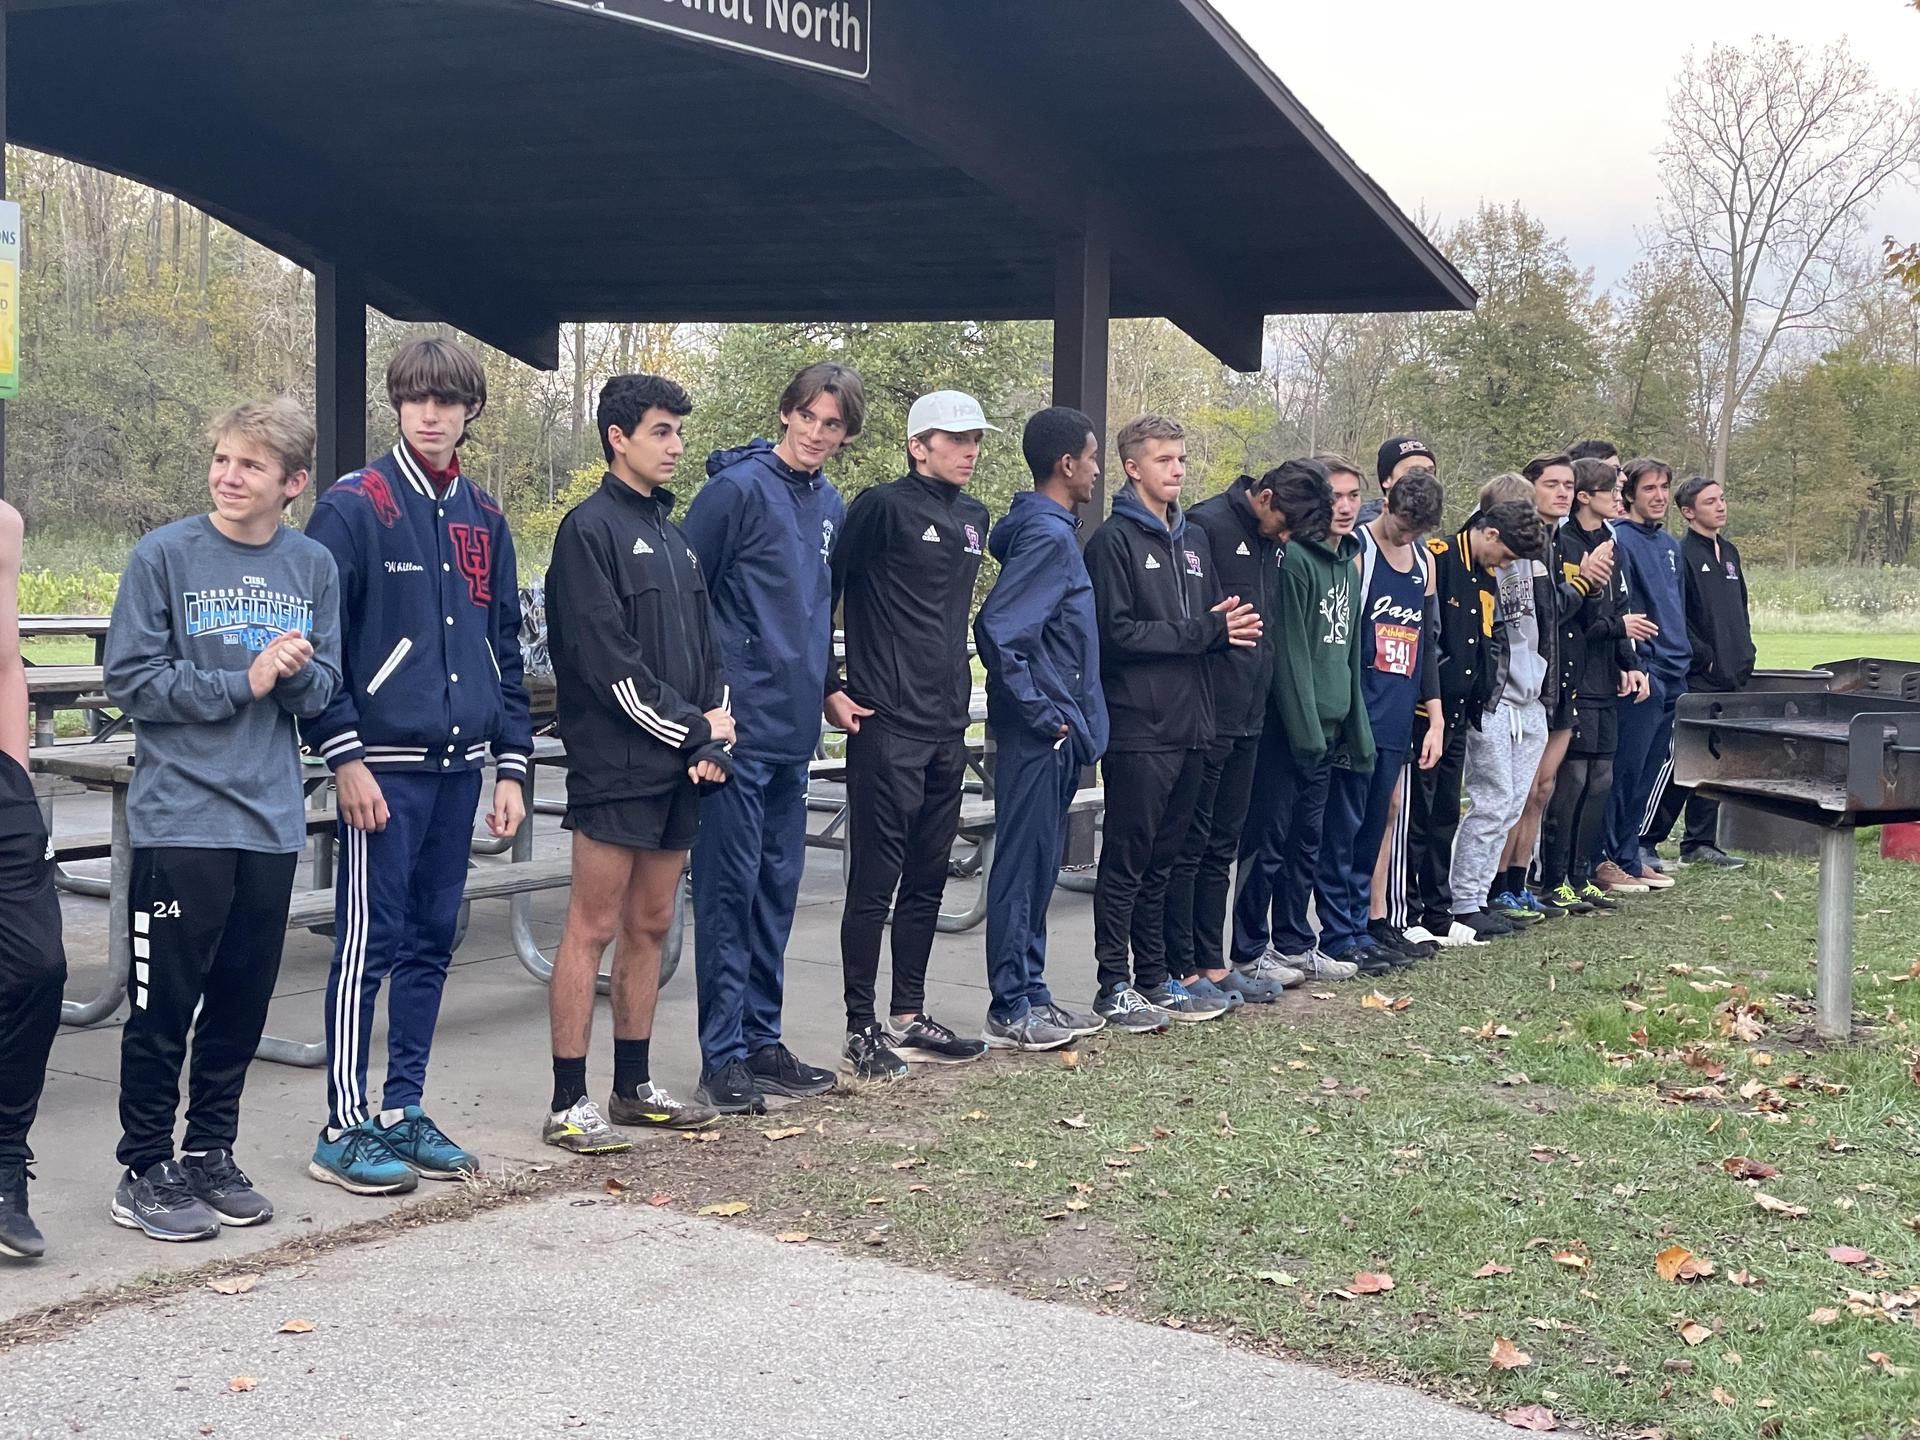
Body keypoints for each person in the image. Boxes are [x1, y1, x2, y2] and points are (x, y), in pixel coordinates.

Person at [102, 399, 342, 1240]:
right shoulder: (164, 554)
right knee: (164, 1002)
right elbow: (131, 683)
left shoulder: (312, 565)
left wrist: (299, 670)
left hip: (270, 818)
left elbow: (325, 691)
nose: (229, 477)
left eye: (249, 466)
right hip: (181, 817)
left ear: (293, 484)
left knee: (241, 1000)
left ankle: (209, 1150)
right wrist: (245, 679)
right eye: (222, 460)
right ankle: (143, 1166)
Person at [304, 337, 533, 1195]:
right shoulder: (353, 505)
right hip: (381, 773)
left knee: (434, 941)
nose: (431, 414)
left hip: (460, 768)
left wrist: (510, 768)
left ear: (470, 409)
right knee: (369, 943)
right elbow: (320, 646)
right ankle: (341, 1123)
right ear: (397, 405)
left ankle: (403, 1109)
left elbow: (504, 646)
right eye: (415, 400)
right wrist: (344, 757)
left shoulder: (484, 514)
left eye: (446, 401)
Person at [541, 375, 731, 1154]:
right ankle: (566, 1102)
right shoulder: (586, 532)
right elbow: (608, 667)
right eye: (661, 431)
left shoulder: (677, 535)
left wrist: (715, 735)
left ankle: (632, 1088)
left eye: (678, 432)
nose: (677, 446)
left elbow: (711, 653)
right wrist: (695, 733)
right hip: (617, 766)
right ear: (618, 437)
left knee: (651, 925)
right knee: (591, 928)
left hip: (681, 767)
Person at [683, 362, 861, 1113]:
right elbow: (687, 603)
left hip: (794, 735)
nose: (818, 434)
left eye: (834, 426)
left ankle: (763, 1040)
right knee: (727, 895)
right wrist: (702, 721)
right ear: (786, 413)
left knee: (775, 895)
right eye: (809, 418)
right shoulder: (734, 491)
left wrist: (827, 689)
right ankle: (720, 1055)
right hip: (736, 730)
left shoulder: (831, 504)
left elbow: (819, 607)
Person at [830, 390, 995, 1077]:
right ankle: (859, 1024)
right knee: (876, 879)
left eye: (975, 439)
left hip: (946, 721)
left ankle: (908, 1012)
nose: (968, 451)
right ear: (916, 445)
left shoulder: (975, 517)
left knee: (930, 873)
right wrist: (830, 685)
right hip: (884, 720)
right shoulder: (881, 506)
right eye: (953, 439)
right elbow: (826, 591)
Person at [1086, 414, 1260, 1030]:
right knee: (1128, 860)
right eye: (1164, 460)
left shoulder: (1192, 542)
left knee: (1168, 859)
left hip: (1193, 724)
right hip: (1139, 726)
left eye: (1182, 459)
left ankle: (1155, 977)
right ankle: (1113, 983)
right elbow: (1117, 634)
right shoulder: (1113, 541)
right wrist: (1207, 631)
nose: (1178, 470)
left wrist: (1225, 632)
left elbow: (1213, 622)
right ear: (1133, 468)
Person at [973, 407, 1110, 1050]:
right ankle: (1011, 1004)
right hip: (1040, 734)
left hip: (1054, 730)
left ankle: (1034, 993)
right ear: (1066, 464)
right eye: (1091, 456)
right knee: (1023, 867)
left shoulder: (1052, 530)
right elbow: (1000, 631)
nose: (1096, 468)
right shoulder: (1049, 537)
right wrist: (1046, 715)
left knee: (1038, 867)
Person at [1231, 456, 1372, 979]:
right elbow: (1288, 653)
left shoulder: (1351, 563)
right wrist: (1306, 730)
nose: (1344, 507)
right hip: (1288, 731)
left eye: (1354, 495)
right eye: (1335, 496)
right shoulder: (1293, 560)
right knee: (1266, 842)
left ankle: (1294, 941)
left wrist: (1355, 729)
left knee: (1305, 845)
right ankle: (1250, 948)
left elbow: (1351, 652)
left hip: (1329, 733)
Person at [1166, 465, 1298, 1007]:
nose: (1286, 537)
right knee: (1189, 848)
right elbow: (1196, 621)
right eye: (1285, 525)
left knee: (1223, 845)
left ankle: (1213, 964)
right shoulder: (1207, 527)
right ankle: (1181, 967)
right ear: (1263, 498)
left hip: (1251, 713)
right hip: (1207, 714)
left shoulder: (1273, 540)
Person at [1314, 467, 1445, 972]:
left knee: (1374, 825)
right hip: (1358, 713)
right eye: (1402, 525)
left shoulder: (1422, 562)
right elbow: (1344, 636)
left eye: (1418, 531)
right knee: (1343, 826)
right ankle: (1338, 931)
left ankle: (1358, 928)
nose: (1407, 536)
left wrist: (1433, 718)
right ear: (1386, 503)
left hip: (1398, 713)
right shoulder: (1360, 550)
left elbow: (1427, 644)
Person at [1489, 454, 1614, 923]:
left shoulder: (1560, 541)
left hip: (1563, 678)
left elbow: (1579, 612)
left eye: (1568, 484)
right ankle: (1497, 884)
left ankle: (1521, 881)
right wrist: (1584, 582)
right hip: (1526, 685)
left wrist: (1592, 585)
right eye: (1552, 484)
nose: (1562, 492)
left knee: (1541, 789)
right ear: (1529, 489)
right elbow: (1547, 610)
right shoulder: (1526, 547)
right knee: (1519, 790)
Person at [1406, 500, 1533, 946]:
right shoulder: (1439, 557)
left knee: (1445, 814)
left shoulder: (1486, 573)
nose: (1507, 565)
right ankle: (1410, 909)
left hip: (1461, 711)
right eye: (1508, 555)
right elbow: (1429, 636)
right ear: (1491, 534)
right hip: (1427, 711)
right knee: (1417, 818)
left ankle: (1439, 911)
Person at [0, 501, 69, 1258]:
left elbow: (7, 660)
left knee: (37, 967)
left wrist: (14, 778)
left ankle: (4, 1163)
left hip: (1, 785)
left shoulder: (5, 525)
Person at [1446, 477, 1559, 941]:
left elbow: (1543, 627)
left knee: (1513, 802)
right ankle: (1464, 899)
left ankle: (1483, 894)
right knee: (1490, 802)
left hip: (1530, 699)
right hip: (1493, 700)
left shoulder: (1533, 561)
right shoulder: (1465, 562)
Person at [1538, 457, 1650, 915]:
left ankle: (1584, 874)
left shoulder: (1611, 541)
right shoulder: (1563, 543)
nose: (1619, 498)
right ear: (1587, 497)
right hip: (1575, 674)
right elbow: (1576, 619)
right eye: (1612, 490)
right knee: (1574, 777)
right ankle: (1555, 877)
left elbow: (1619, 607)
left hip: (1605, 672)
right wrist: (1616, 625)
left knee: (1601, 777)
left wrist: (1630, 661)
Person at [1639, 475, 1754, 870]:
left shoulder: (1731, 553)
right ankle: (1646, 839)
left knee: (1719, 759)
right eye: (1710, 502)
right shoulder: (1682, 553)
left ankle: (1701, 842)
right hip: (1699, 675)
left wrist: (1745, 653)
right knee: (1684, 760)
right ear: (1688, 512)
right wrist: (1702, 657)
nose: (1720, 506)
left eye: (1722, 499)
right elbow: (1677, 615)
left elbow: (1740, 610)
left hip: (1734, 676)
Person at [1599, 458, 1687, 895]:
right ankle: (1612, 857)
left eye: (1664, 487)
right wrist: (1637, 664)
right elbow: (1624, 609)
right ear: (1629, 494)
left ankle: (1632, 854)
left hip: (1676, 670)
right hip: (1646, 672)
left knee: (1651, 771)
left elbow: (1677, 608)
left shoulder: (1671, 545)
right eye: (1649, 488)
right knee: (1627, 771)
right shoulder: (1620, 542)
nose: (1658, 496)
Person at [1358, 436, 1437, 524]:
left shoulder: (1420, 524)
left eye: (1430, 471)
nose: (1425, 479)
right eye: (1414, 471)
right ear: (1387, 479)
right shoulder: (1370, 527)